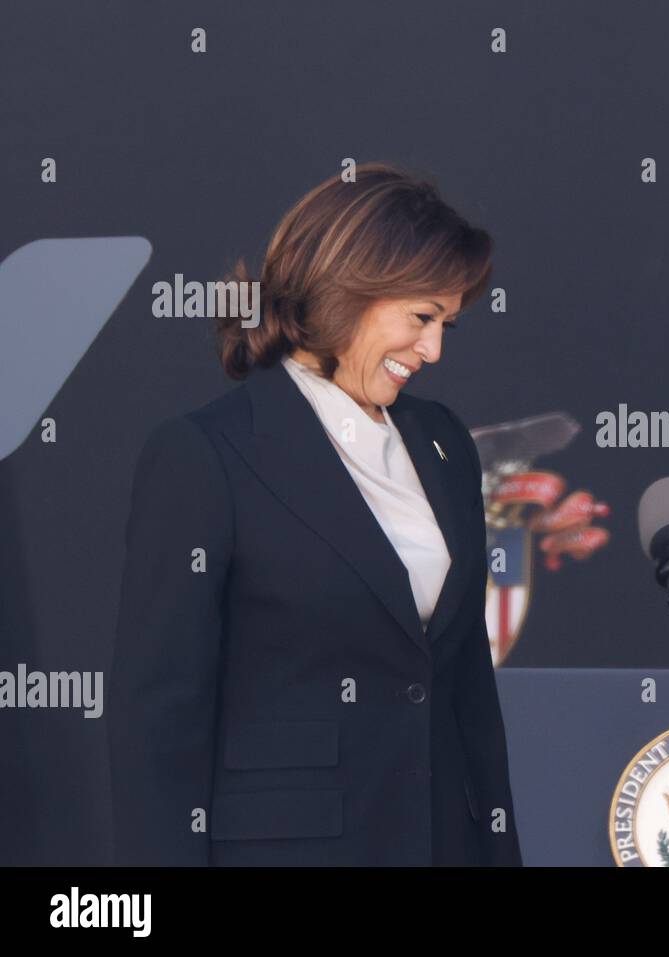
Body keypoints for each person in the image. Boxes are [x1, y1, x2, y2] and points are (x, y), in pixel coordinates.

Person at [107, 163, 521, 865]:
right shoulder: (205, 454)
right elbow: (159, 722)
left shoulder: (443, 440)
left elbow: (468, 698)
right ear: (349, 291)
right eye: (422, 318)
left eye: (446, 324)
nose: (434, 350)